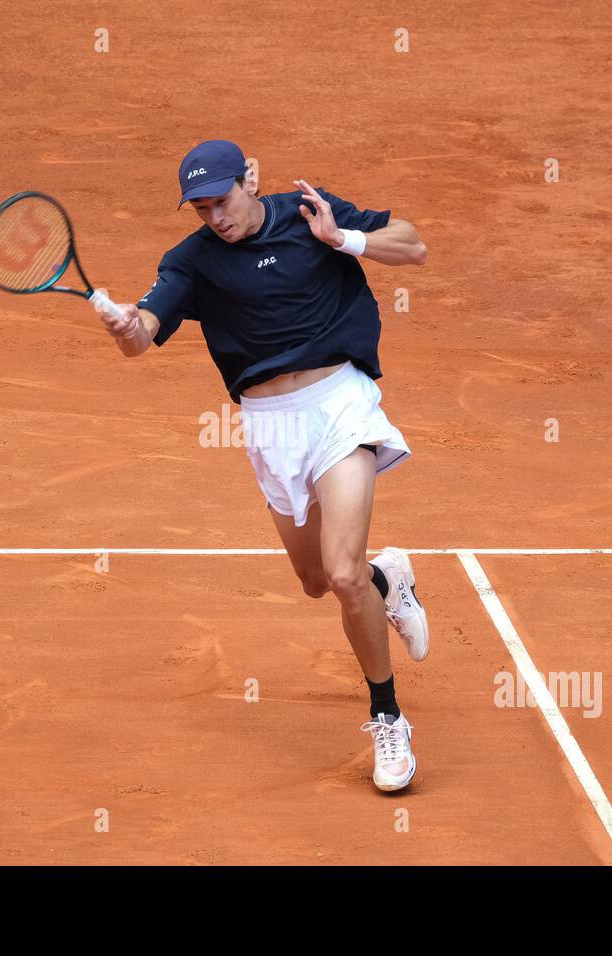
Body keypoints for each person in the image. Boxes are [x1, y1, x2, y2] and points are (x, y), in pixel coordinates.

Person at [95, 139, 430, 792]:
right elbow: (143, 336)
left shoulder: (310, 213)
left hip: (339, 405)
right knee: (315, 580)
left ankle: (387, 715)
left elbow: (411, 244)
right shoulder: (191, 261)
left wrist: (347, 241)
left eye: (222, 200)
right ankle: (386, 581)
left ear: (251, 178)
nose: (214, 216)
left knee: (338, 572)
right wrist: (124, 325)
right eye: (200, 208)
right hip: (269, 428)